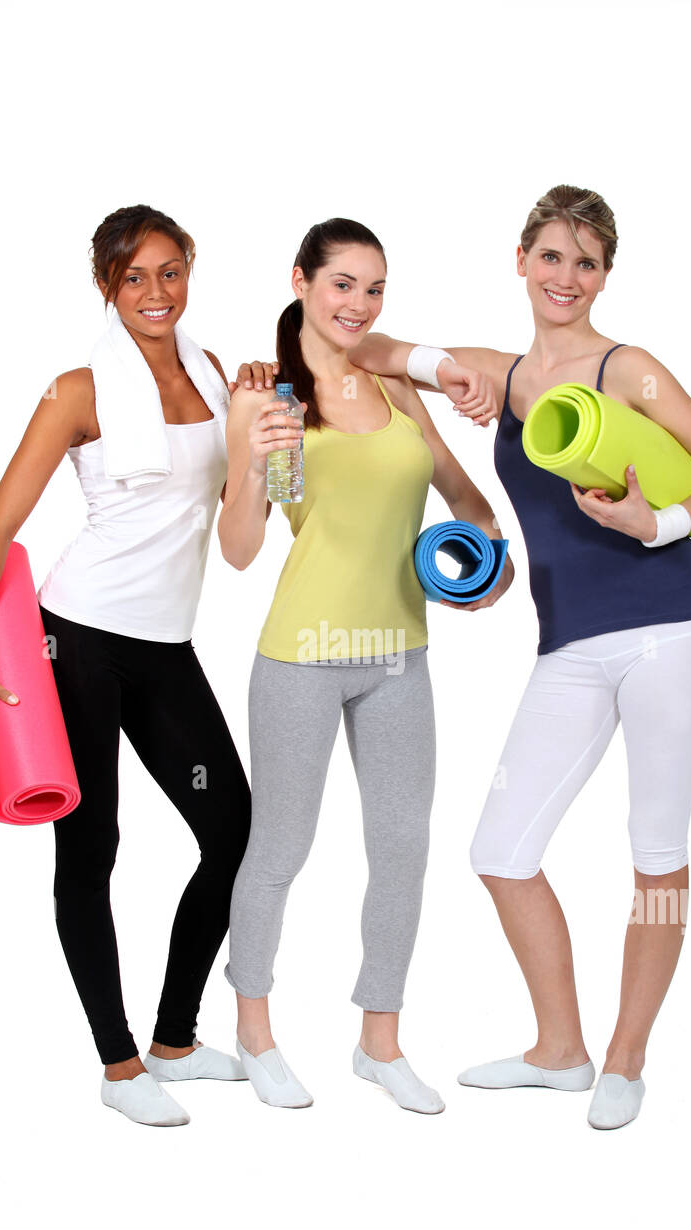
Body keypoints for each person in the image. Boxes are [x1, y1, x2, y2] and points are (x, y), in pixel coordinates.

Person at [347, 185, 691, 1129]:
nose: (566, 277)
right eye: (551, 256)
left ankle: (626, 1056)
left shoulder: (630, 369)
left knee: (656, 856)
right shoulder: (499, 372)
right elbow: (361, 347)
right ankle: (561, 1050)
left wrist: (657, 521)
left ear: (604, 274)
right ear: (522, 262)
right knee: (501, 850)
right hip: (568, 643)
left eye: (586, 261)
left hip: (671, 634)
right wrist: (446, 369)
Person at [0, 205, 255, 1127]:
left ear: (189, 271)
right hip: (77, 640)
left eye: (171, 272)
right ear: (106, 288)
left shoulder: (213, 371)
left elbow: (245, 497)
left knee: (233, 830)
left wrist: (259, 419)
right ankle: (119, 1066)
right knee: (92, 848)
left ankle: (175, 1038)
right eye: (135, 279)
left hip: (166, 646)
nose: (156, 294)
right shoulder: (77, 389)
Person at [218, 217, 513, 1114]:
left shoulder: (394, 385)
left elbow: (468, 501)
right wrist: (251, 465)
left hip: (398, 655)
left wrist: (484, 569)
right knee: (280, 848)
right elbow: (239, 549)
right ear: (301, 281)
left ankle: (379, 1041)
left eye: (375, 287)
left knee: (401, 849)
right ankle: (254, 1030)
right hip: (302, 654)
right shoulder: (272, 404)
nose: (359, 303)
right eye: (343, 282)